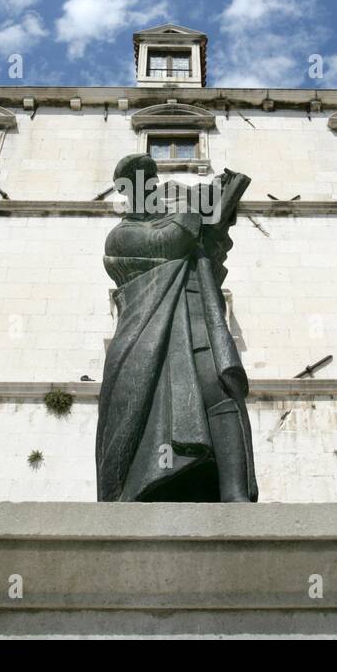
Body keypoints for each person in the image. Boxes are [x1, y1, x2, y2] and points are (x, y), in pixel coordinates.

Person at [96, 152, 258, 502]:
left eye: (150, 178)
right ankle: (157, 480)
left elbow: (207, 248)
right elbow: (170, 243)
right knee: (168, 405)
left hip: (198, 313)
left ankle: (234, 493)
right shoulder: (121, 237)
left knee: (219, 389)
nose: (150, 185)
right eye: (140, 181)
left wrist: (223, 200)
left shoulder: (173, 216)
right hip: (154, 336)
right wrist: (195, 204)